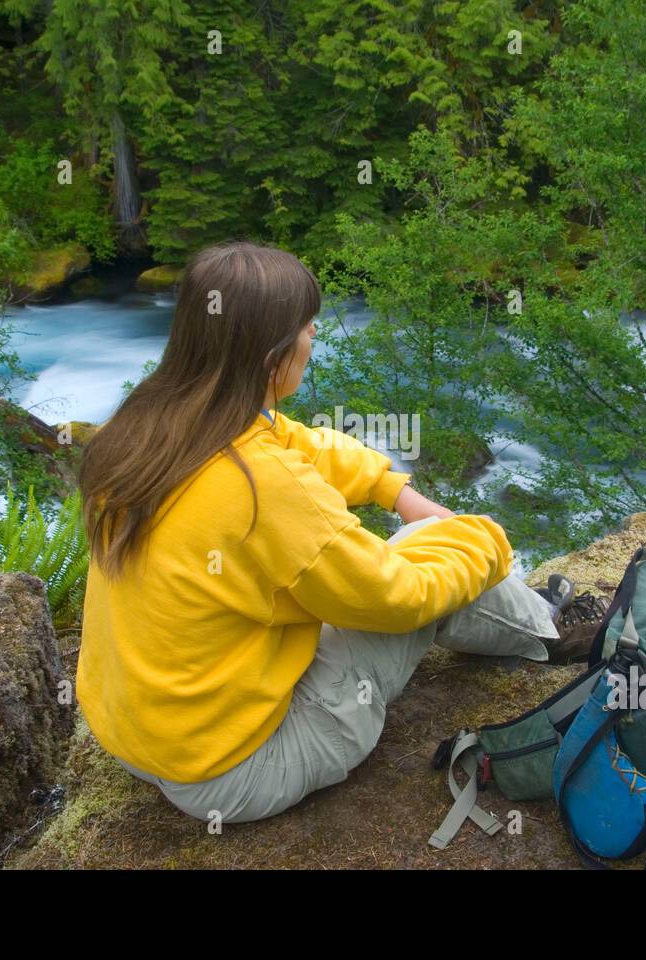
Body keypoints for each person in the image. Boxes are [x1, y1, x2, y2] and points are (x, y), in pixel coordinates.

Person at [75, 240, 583, 825]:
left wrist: (394, 490)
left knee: (418, 547)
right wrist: (487, 539)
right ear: (273, 357)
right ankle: (547, 633)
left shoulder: (146, 426)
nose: (314, 337)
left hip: (145, 741)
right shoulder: (263, 486)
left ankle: (537, 622)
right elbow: (395, 597)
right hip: (237, 772)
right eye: (308, 328)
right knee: (429, 556)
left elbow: (299, 440)